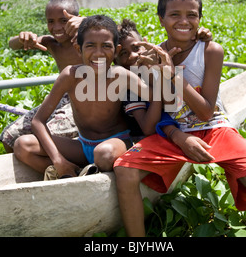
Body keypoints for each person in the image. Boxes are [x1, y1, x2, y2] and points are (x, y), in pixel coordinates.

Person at [113, 0, 246, 237]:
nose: (184, 21)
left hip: (215, 128)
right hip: (175, 133)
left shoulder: (210, 50)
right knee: (124, 169)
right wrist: (180, 138)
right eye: (175, 15)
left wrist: (172, 76)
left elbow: (206, 112)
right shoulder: (154, 57)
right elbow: (162, 113)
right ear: (161, 19)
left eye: (192, 15)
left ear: (200, 18)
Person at [15, 15, 160, 178]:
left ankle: (83, 173)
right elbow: (38, 121)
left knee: (103, 154)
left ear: (116, 50)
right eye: (90, 46)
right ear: (79, 49)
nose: (98, 53)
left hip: (115, 144)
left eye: (106, 46)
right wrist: (58, 160)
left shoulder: (120, 75)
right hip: (83, 147)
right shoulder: (69, 75)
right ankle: (73, 172)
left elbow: (156, 97)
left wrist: (157, 69)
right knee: (23, 145)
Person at [0, 0, 84, 153]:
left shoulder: (91, 39)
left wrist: (87, 23)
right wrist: (23, 38)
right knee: (9, 137)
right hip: (62, 97)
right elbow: (12, 44)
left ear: (76, 18)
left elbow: (112, 30)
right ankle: (39, 168)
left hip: (85, 98)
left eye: (63, 20)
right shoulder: (51, 43)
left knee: (45, 136)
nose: (57, 27)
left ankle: (62, 168)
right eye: (51, 21)